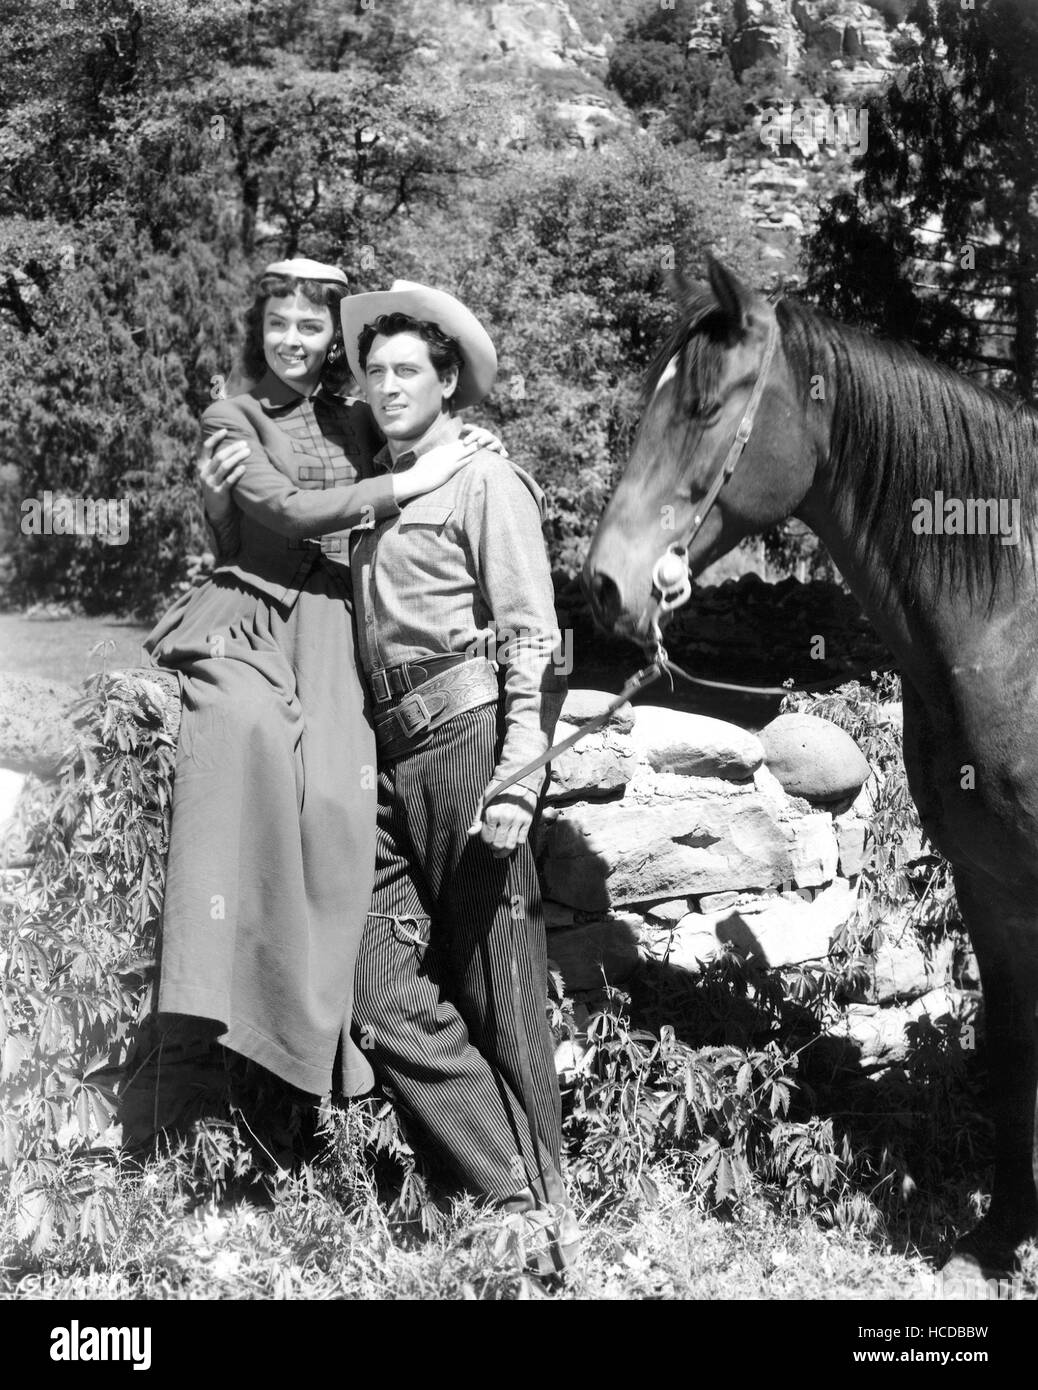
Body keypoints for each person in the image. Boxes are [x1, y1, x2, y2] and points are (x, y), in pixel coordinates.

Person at [142, 258, 483, 1111]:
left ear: (334, 335)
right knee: (250, 747)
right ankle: (226, 1005)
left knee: (337, 806)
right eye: (278, 325)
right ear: (257, 331)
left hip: (335, 627)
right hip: (255, 612)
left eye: (311, 326)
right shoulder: (232, 414)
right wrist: (408, 484)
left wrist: (467, 453)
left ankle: (314, 1043)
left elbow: (427, 419)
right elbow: (284, 509)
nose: (294, 341)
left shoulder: (355, 417)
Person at [338, 282, 578, 1271]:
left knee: (499, 990)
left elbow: (531, 636)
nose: (387, 385)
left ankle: (548, 1226)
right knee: (381, 989)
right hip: (390, 763)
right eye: (376, 371)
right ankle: (505, 1189)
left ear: (448, 385)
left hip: (467, 742)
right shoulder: (377, 499)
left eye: (408, 371)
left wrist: (520, 775)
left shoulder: (487, 483)